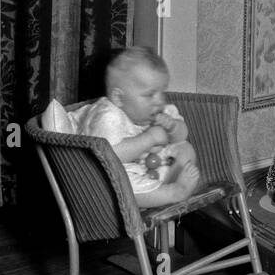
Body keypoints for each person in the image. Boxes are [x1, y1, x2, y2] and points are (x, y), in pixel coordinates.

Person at [81, 47, 200, 207]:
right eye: (150, 94)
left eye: (161, 92)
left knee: (185, 148)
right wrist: (149, 138)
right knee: (122, 184)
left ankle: (168, 184)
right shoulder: (108, 116)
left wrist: (173, 127)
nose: (159, 101)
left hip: (154, 168)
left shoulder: (160, 110)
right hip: (114, 175)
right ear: (118, 97)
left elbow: (182, 135)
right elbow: (110, 156)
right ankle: (174, 192)